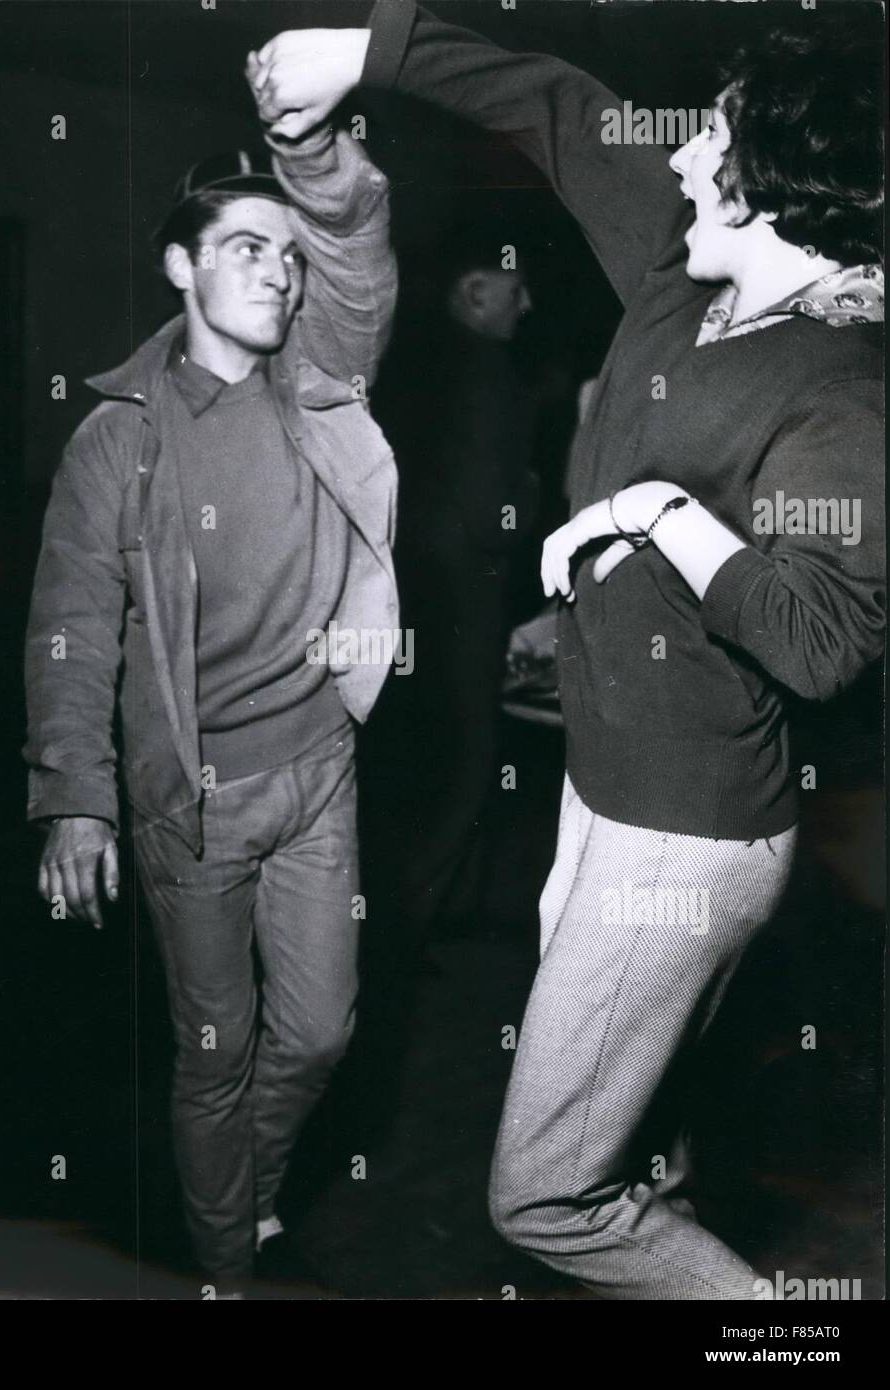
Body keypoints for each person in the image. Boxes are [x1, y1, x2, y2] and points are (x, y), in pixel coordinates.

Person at [250, 5, 884, 1299]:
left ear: (779, 186)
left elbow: (822, 642)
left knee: (548, 1192)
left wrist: (658, 520)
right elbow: (562, 103)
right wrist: (375, 50)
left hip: (685, 833)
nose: (685, 156)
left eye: (713, 137)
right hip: (607, 792)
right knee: (633, 1149)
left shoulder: (845, 391)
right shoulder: (682, 271)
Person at [23, 88, 398, 1296]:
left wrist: (312, 153)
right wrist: (73, 801)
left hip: (317, 768)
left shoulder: (319, 388)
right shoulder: (117, 441)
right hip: (194, 795)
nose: (279, 274)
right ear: (179, 265)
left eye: (287, 255)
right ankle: (226, 1265)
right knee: (213, 1052)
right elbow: (73, 627)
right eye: (247, 247)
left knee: (320, 1031)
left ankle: (240, 1189)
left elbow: (357, 252)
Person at [370, 225, 539, 957]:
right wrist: (532, 496)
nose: (526, 304)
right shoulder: (488, 373)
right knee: (467, 759)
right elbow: (490, 511)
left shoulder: (417, 363)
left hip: (413, 591)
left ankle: (429, 911)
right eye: (513, 290)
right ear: (473, 295)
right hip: (464, 593)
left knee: (432, 754)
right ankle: (409, 920)